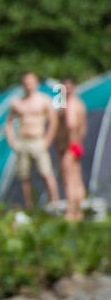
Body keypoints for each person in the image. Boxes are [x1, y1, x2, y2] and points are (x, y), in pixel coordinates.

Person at [5, 72, 60, 210]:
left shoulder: (43, 100)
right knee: (24, 176)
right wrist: (11, 140)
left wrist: (48, 139)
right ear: (23, 84)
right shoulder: (17, 102)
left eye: (31, 82)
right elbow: (9, 122)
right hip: (22, 141)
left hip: (38, 140)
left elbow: (54, 120)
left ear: (36, 83)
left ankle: (55, 204)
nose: (29, 85)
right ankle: (30, 207)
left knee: (46, 173)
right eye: (26, 82)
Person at [54, 76, 88, 222]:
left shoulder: (71, 104)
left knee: (68, 179)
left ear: (73, 87)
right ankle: (78, 211)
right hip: (76, 145)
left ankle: (71, 211)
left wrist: (67, 142)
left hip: (69, 146)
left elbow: (71, 124)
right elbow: (83, 127)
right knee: (76, 177)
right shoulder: (79, 103)